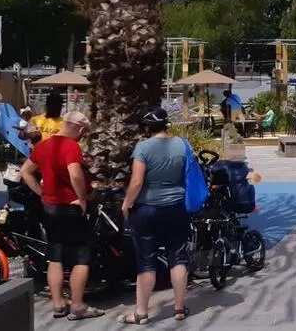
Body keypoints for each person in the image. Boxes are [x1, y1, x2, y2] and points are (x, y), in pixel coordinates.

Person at [18, 111, 103, 321]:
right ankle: (77, 305)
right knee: (80, 257)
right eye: (84, 132)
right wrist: (82, 198)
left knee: (55, 256)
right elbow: (75, 173)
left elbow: (25, 171)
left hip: (50, 207)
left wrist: (41, 192)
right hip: (70, 207)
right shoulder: (71, 147)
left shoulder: (43, 146)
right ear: (80, 129)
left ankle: (57, 304)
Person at [118, 107, 192, 324]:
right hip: (177, 207)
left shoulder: (143, 148)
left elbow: (137, 182)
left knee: (146, 261)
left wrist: (126, 203)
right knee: (178, 257)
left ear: (147, 126)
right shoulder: (182, 144)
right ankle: (179, 308)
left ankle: (141, 312)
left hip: (147, 209)